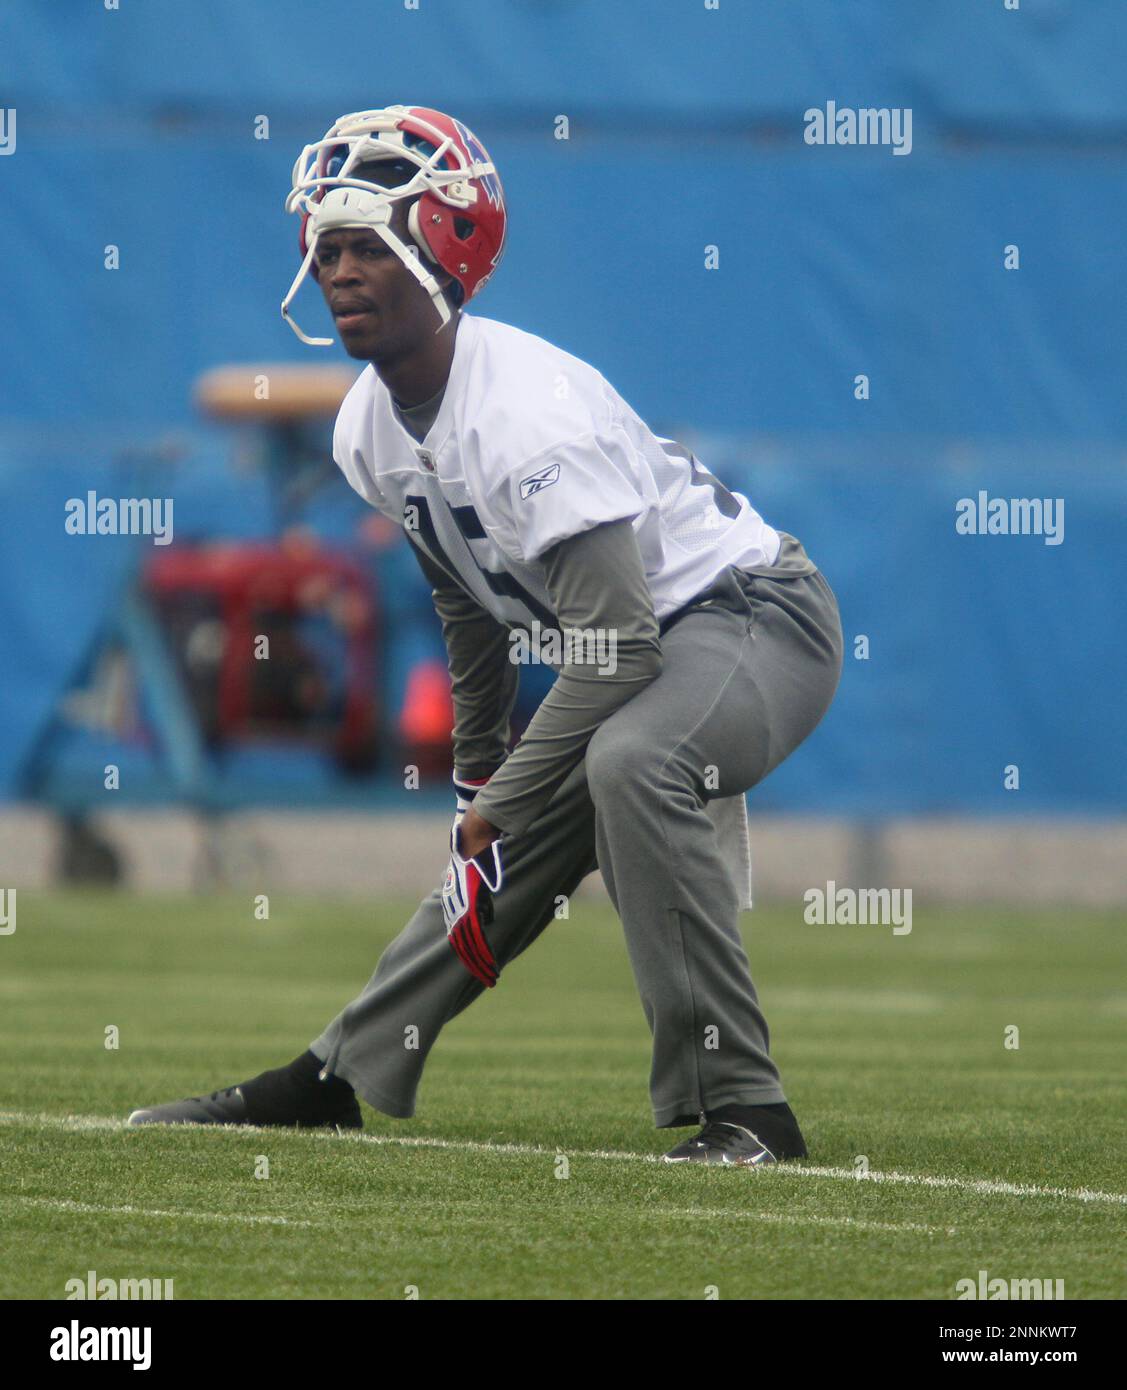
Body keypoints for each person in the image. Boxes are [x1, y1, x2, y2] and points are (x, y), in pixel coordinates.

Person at [129, 105, 843, 1166]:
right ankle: (334, 1073)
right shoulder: (364, 427)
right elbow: (466, 605)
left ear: (444, 248)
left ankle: (746, 1109)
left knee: (634, 758)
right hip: (643, 646)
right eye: (326, 247)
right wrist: (476, 788)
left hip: (750, 617)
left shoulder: (524, 413)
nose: (340, 271)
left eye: (368, 244)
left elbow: (617, 648)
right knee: (509, 836)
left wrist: (499, 798)